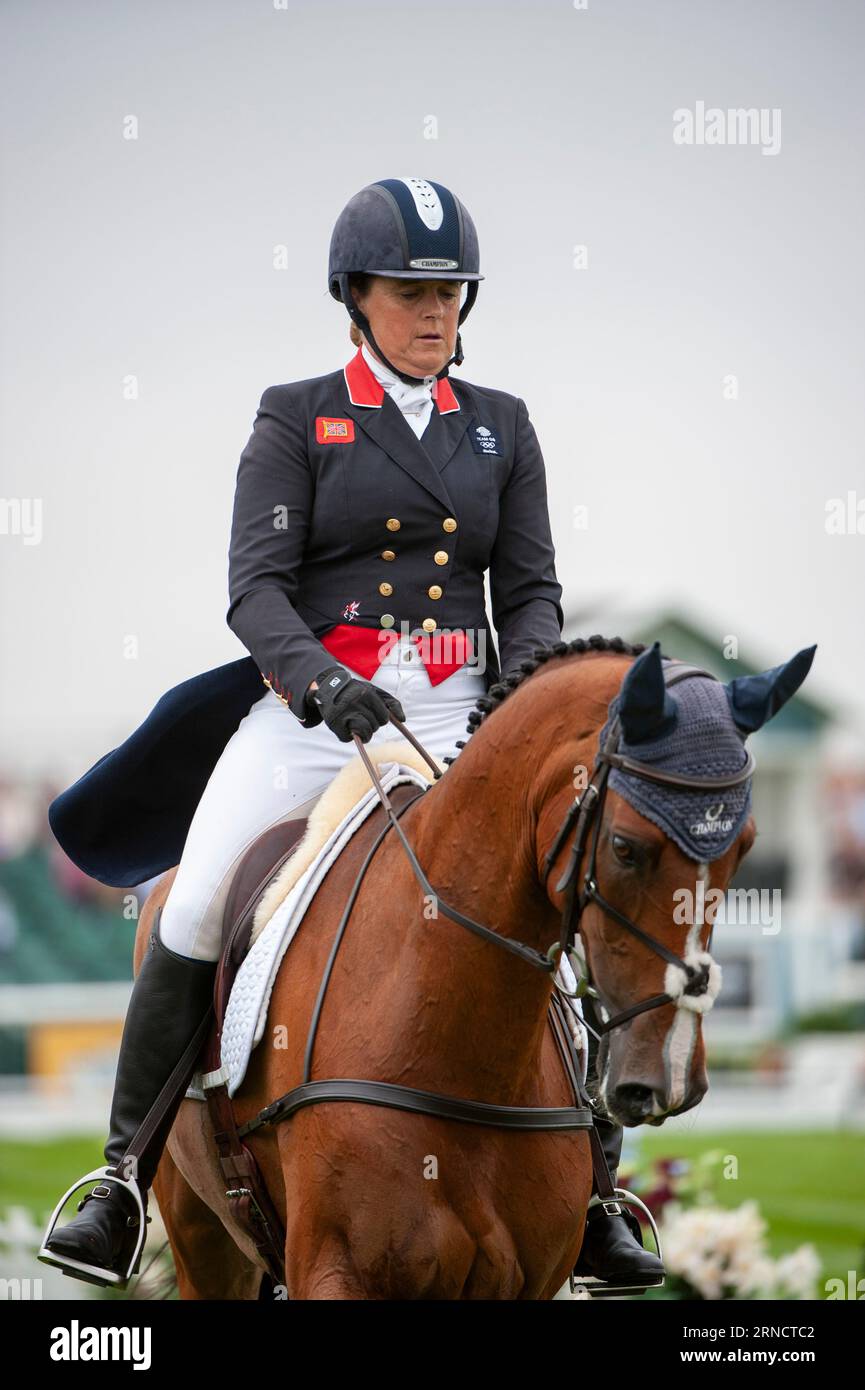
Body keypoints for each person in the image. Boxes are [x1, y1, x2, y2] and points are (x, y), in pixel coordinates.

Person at [40, 176, 659, 1291]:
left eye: (451, 290)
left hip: (459, 715)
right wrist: (325, 686)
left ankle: (599, 1187)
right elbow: (255, 591)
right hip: (313, 716)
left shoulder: (500, 427)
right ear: (355, 296)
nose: (437, 311)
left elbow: (531, 593)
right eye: (410, 290)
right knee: (192, 902)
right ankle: (122, 1179)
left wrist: (510, 698)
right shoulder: (297, 413)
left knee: (556, 899)